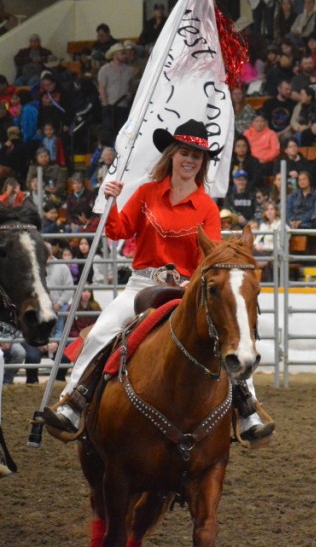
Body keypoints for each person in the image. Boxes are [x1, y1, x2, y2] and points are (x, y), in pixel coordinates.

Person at [41, 120, 274, 442]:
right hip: (142, 286)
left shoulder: (206, 206)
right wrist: (110, 202)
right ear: (172, 155)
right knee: (101, 332)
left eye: (197, 155)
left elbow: (212, 257)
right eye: (184, 153)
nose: (190, 160)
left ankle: (248, 409)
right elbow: (118, 231)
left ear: (203, 162)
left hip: (186, 289)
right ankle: (73, 402)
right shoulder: (147, 192)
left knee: (230, 336)